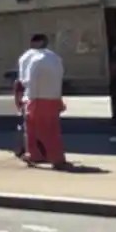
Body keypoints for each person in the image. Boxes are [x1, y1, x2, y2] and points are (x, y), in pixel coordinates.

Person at [17, 33, 69, 169]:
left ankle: (51, 157)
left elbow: (27, 80)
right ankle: (38, 154)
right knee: (51, 129)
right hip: (53, 97)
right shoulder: (55, 58)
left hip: (36, 98)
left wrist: (28, 99)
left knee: (36, 129)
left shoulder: (30, 58)